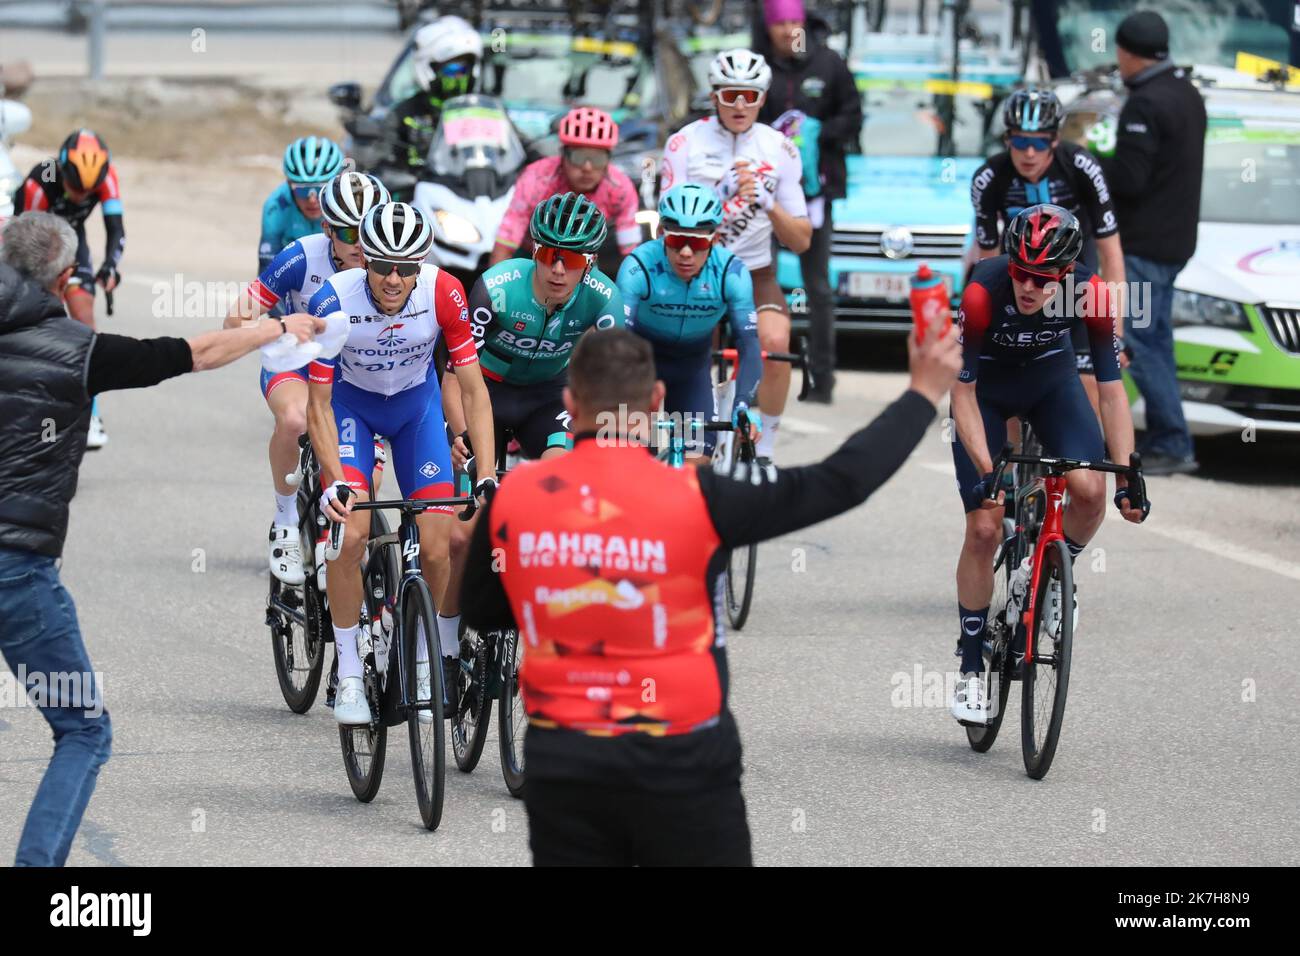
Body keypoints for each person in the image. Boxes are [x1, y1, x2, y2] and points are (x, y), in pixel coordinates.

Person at [458, 325, 960, 865]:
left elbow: (484, 612)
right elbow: (840, 481)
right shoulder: (700, 497)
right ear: (655, 402)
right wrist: (923, 394)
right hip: (683, 758)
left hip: (565, 760)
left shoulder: (513, 499)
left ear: (569, 402)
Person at [0, 212, 323, 866]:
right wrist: (277, 328)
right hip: (17, 575)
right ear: (66, 277)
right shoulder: (77, 349)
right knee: (83, 732)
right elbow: (192, 354)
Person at [948, 205, 1148, 725]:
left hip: (1049, 381)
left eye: (1042, 278)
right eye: (1021, 271)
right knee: (985, 527)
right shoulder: (982, 292)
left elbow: (1110, 393)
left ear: (1067, 276)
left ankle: (1053, 576)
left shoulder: (1093, 294)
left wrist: (1127, 472)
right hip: (986, 391)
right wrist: (987, 467)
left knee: (1090, 491)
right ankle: (971, 670)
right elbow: (963, 395)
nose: (1028, 287)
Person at [305, 201, 496, 726]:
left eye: (407, 268)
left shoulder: (444, 292)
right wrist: (334, 482)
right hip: (351, 411)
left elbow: (475, 392)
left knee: (439, 547)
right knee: (351, 533)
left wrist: (485, 473)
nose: (394, 279)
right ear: (363, 259)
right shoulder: (332, 302)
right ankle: (347, 673)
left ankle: (419, 653)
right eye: (384, 265)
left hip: (417, 410)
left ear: (421, 265)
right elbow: (317, 406)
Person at [437, 193, 624, 702]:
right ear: (535, 251)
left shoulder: (604, 299)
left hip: (547, 399)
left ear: (590, 263)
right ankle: (447, 649)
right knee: (463, 535)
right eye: (549, 256)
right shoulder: (496, 290)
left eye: (574, 260)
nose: (559, 270)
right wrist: (459, 435)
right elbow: (455, 377)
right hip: (485, 394)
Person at [226, 170, 390, 587]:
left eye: (367, 231)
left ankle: (329, 532)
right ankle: (284, 522)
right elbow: (236, 317)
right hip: (298, 362)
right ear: (326, 229)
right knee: (298, 420)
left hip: (353, 372)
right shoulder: (301, 256)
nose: (360, 245)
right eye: (348, 234)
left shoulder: (391, 268)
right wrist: (277, 332)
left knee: (366, 479)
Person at [661, 48, 811, 465]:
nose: (740, 104)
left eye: (750, 95)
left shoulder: (779, 147)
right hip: (694, 273)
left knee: (776, 342)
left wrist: (768, 203)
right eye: (730, 95)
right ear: (714, 97)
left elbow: (801, 240)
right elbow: (662, 229)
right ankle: (691, 440)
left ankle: (765, 448)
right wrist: (717, 197)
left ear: (763, 98)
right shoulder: (684, 142)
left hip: (754, 272)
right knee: (690, 351)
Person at [971, 87, 1126, 417]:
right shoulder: (989, 176)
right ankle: (1007, 467)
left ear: (1055, 139)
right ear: (1007, 139)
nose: (1029, 152)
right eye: (1019, 141)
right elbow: (987, 258)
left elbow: (1111, 253)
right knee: (1003, 388)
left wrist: (1118, 332)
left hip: (1071, 286)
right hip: (1017, 286)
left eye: (1040, 142)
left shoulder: (1081, 166)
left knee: (1089, 386)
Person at [1100, 10, 1206, 476]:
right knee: (1157, 339)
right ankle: (1172, 435)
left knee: (1138, 339)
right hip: (1176, 240)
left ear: (1126, 53)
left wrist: (1088, 163)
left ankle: (1169, 441)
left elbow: (1131, 178)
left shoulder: (1145, 103)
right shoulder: (1187, 93)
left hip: (1143, 243)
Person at [755, 0, 863, 404]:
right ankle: (759, 374)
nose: (788, 31)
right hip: (761, 197)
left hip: (815, 193)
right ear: (769, 29)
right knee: (755, 281)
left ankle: (821, 380)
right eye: (780, 24)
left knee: (817, 287)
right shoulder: (758, 65)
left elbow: (853, 116)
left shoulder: (830, 64)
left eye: (794, 23)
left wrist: (817, 133)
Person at [616, 182, 761, 455]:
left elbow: (749, 344)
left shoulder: (732, 272)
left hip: (691, 371)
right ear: (661, 235)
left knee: (695, 468)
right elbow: (617, 338)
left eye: (695, 243)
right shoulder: (639, 267)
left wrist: (742, 404)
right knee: (632, 460)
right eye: (675, 240)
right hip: (640, 366)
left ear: (714, 241)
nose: (685, 252)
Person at [13, 129, 125, 449]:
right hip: (34, 242)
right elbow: (22, 240)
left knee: (84, 326)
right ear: (62, 170)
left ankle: (90, 415)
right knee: (33, 327)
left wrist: (110, 267)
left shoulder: (107, 176)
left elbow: (116, 229)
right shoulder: (40, 180)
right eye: (76, 188)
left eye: (88, 191)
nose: (80, 196)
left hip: (72, 244)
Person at [490, 106, 641, 274]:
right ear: (563, 155)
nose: (587, 167)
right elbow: (506, 242)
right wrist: (494, 289)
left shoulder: (620, 188)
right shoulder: (536, 178)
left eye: (597, 158)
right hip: (533, 252)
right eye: (579, 157)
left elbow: (631, 252)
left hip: (582, 257)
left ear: (608, 160)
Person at [386, 15, 483, 171]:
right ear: (429, 68)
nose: (459, 76)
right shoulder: (404, 114)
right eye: (452, 69)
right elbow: (384, 162)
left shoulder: (484, 110)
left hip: (478, 191)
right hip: (422, 191)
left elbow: (523, 150)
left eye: (465, 68)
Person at [258, 136, 345, 273]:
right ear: (289, 184)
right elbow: (266, 270)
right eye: (302, 190)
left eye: (320, 189)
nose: (312, 199)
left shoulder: (349, 203)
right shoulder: (275, 207)